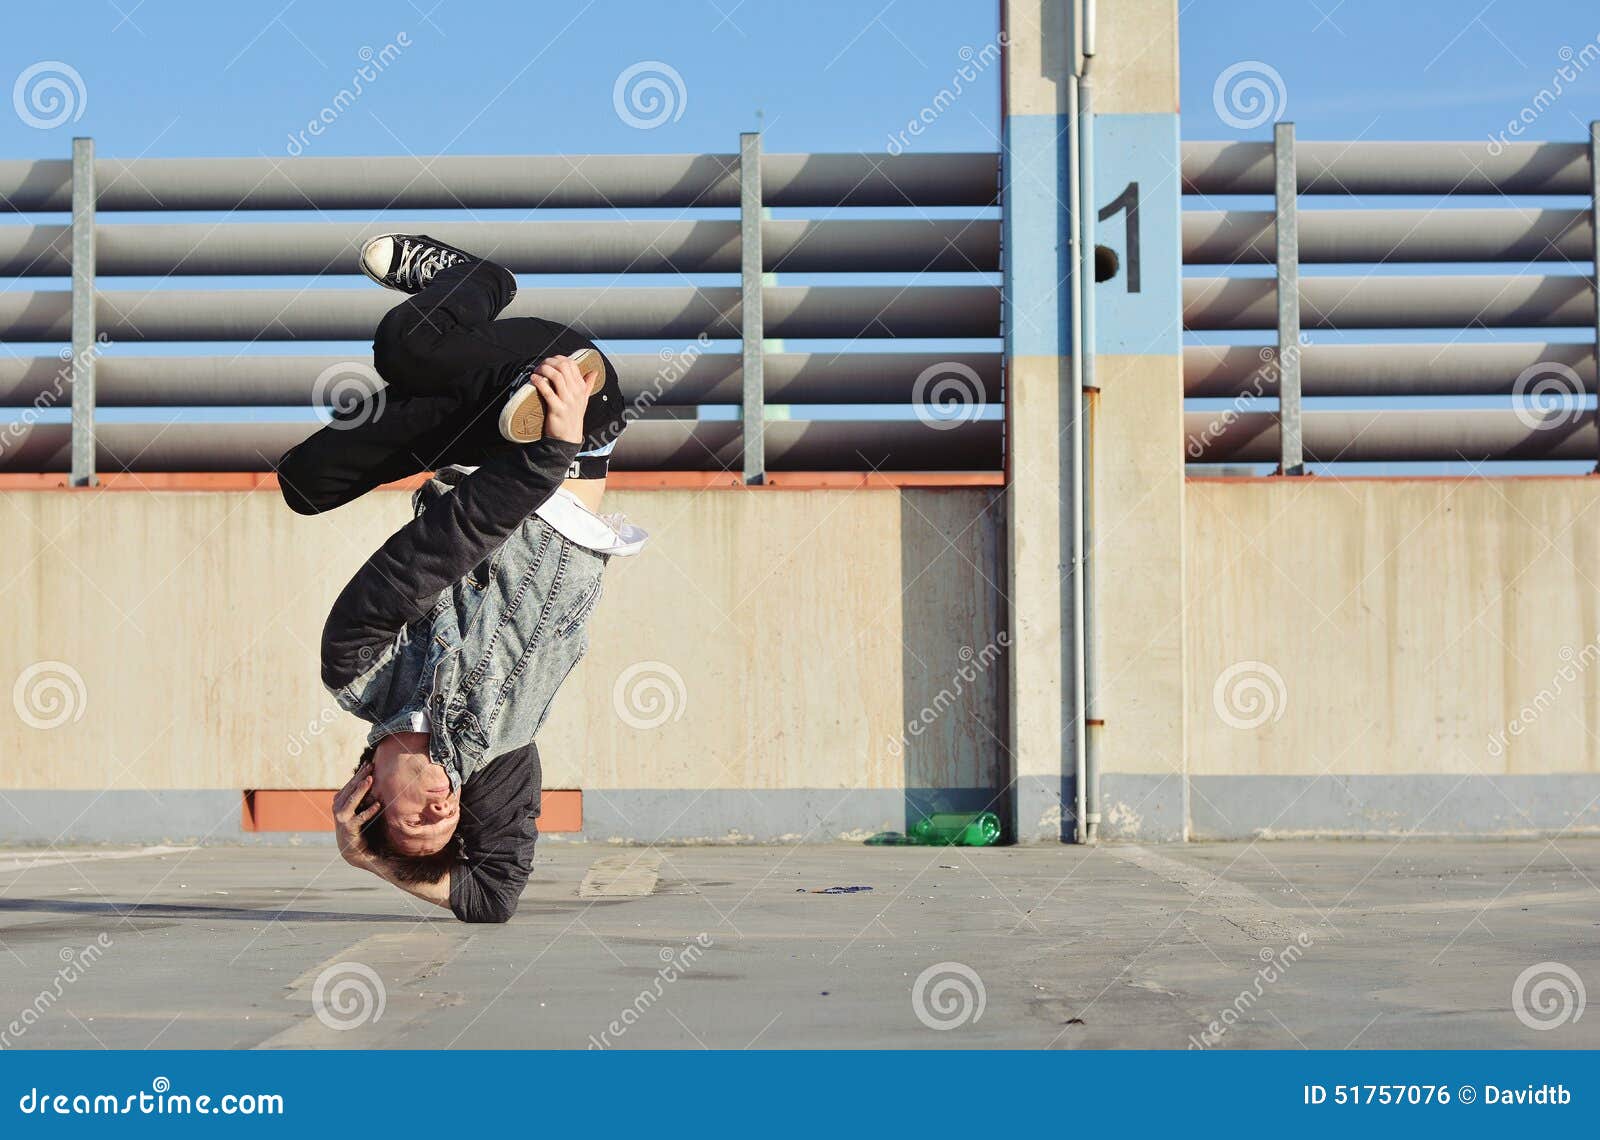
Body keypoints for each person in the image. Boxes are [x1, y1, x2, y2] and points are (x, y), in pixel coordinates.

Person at [276, 235, 644, 922]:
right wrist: (371, 860)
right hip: (571, 408)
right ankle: (460, 325)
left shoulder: (356, 667)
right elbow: (492, 897)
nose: (444, 808)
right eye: (449, 823)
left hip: (506, 453)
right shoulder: (495, 757)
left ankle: (478, 282)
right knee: (410, 348)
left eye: (416, 821)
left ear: (366, 793)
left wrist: (358, 844)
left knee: (303, 480)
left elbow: (445, 544)